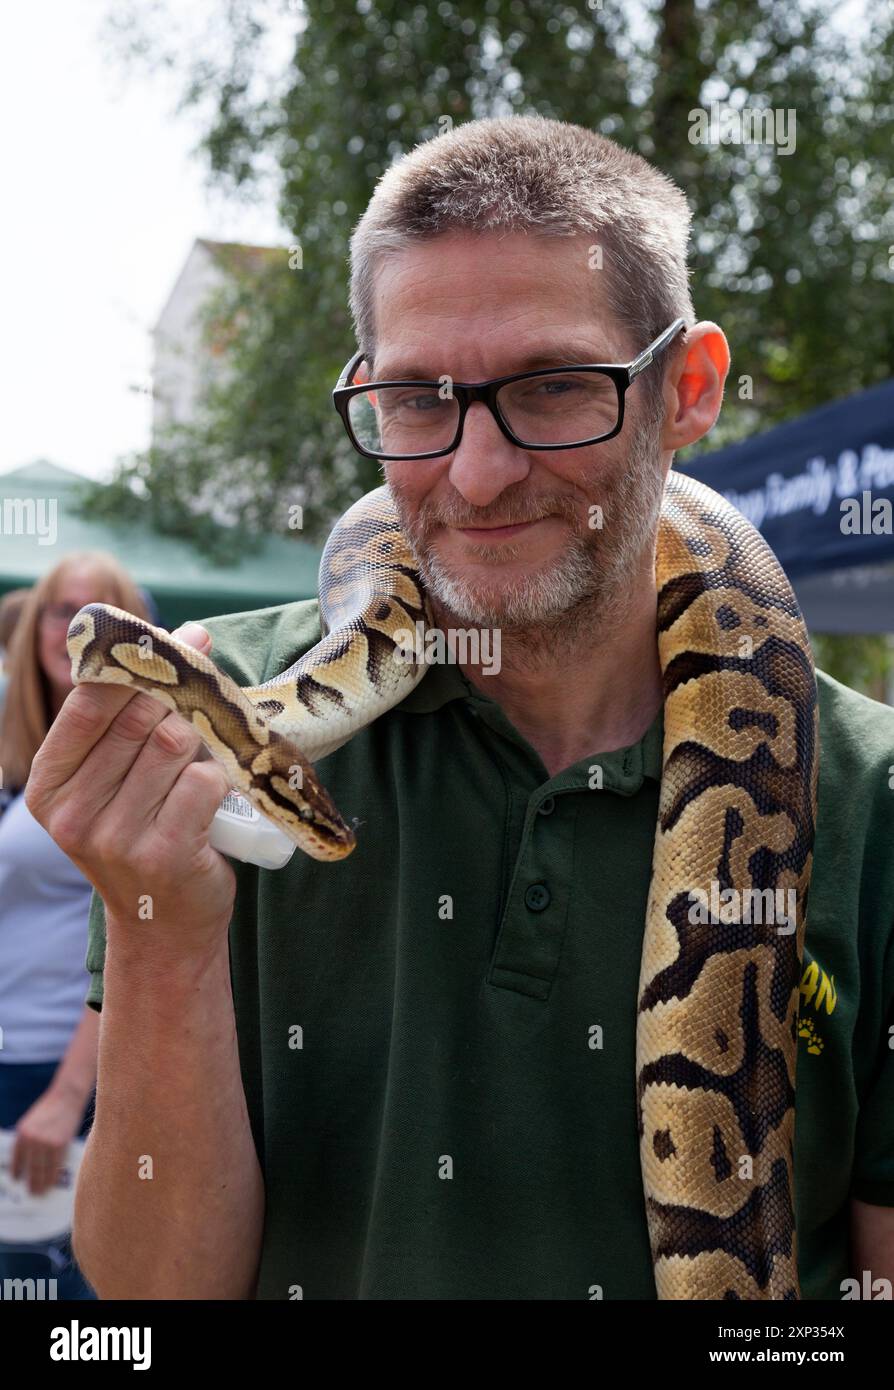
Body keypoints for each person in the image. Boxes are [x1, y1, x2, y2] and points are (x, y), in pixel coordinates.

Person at [26, 116, 894, 1300]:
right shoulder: (190, 739)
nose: (477, 475)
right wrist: (163, 932)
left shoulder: (871, 793)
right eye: (418, 400)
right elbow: (150, 1300)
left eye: (552, 388)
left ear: (689, 389)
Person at [0, 553, 153, 1298]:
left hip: (61, 1071)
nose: (77, 628)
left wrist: (67, 1093)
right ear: (35, 628)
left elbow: (137, 929)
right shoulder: (15, 752)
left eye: (100, 611)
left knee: (63, 1294)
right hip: (11, 1063)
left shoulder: (142, 749)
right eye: (63, 611)